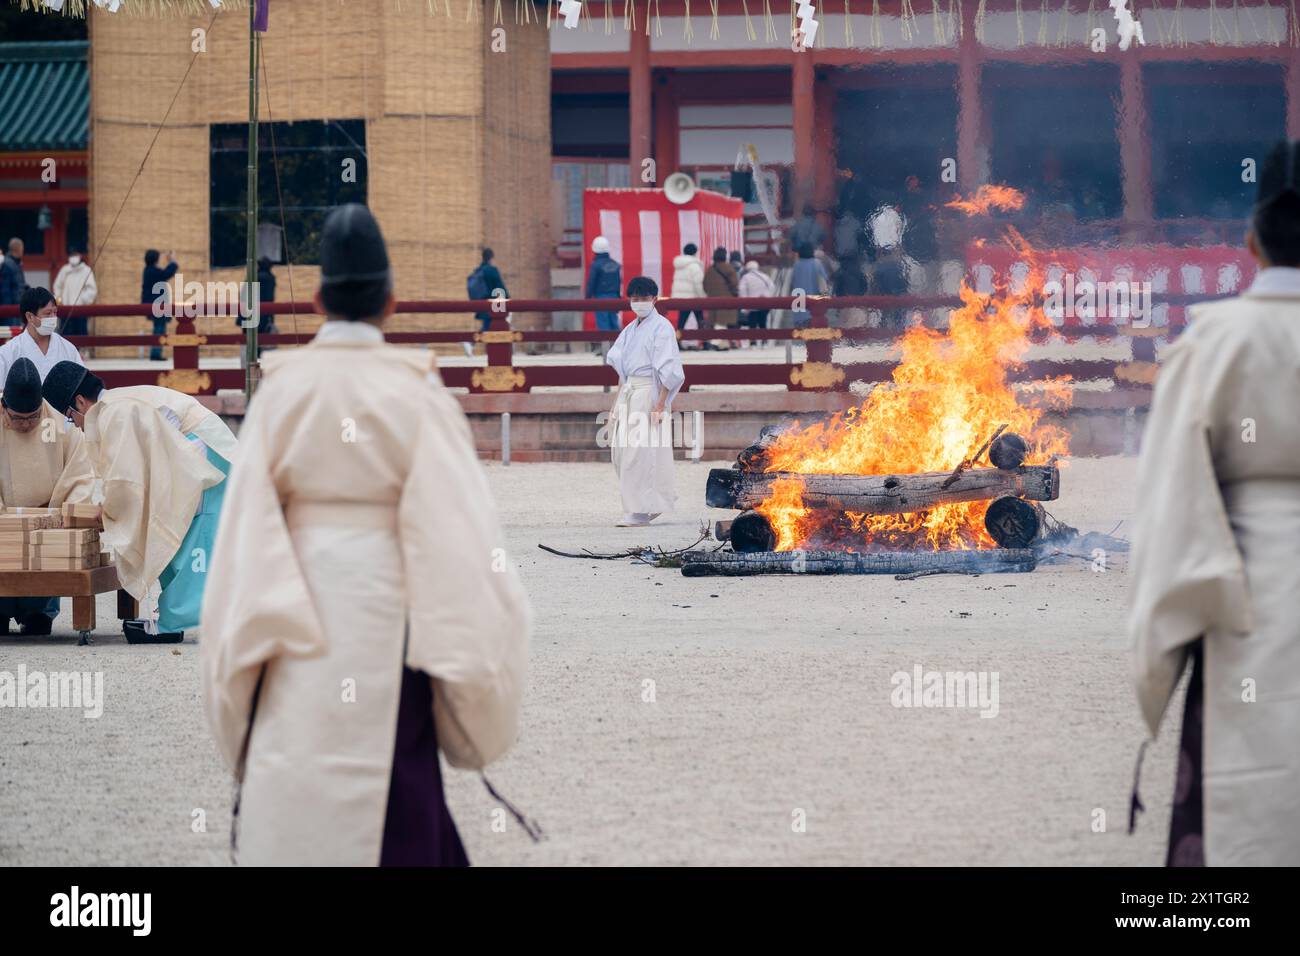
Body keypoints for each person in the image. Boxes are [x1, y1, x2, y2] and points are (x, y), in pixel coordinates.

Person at [200, 204, 530, 866]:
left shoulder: (281, 394)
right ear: (391, 300)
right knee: (398, 804)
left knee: (296, 775)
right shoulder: (415, 393)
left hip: (293, 624)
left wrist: (235, 680)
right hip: (394, 632)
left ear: (319, 298)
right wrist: (472, 669)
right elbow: (460, 537)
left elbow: (243, 542)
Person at [1130, 139, 1300, 866]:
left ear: (1251, 241)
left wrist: (1156, 662)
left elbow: (1175, 511)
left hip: (1251, 598)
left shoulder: (1213, 343)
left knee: (1253, 801)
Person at [41, 361, 230, 643]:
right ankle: (173, 615)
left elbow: (125, 481)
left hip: (202, 462)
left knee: (190, 541)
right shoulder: (116, 405)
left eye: (71, 417)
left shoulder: (114, 413)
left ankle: (173, 621)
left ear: (80, 402)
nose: (76, 426)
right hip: (192, 457)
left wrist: (107, 511)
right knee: (171, 534)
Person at [0, 357, 96, 636]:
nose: (26, 424)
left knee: (39, 621)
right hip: (4, 516)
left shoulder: (58, 421)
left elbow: (81, 473)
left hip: (48, 517)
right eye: (18, 418)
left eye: (33, 417)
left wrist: (65, 511)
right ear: (4, 407)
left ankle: (40, 610)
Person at [605, 276, 685, 527]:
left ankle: (640, 511)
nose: (639, 303)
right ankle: (647, 504)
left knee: (640, 453)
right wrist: (615, 405)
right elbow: (622, 371)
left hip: (649, 393)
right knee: (621, 452)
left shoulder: (662, 328)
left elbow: (668, 369)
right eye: (635, 299)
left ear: (655, 299)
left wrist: (660, 404)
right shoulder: (630, 330)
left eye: (644, 298)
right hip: (630, 391)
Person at [0, 287, 84, 383]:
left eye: (55, 312)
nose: (53, 318)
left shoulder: (68, 348)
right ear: (30, 316)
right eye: (48, 313)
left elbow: (83, 385)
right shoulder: (9, 352)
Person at [465, 247, 507, 357]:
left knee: (487, 327)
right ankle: (472, 343)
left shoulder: (478, 271)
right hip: (493, 305)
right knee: (493, 327)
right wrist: (507, 299)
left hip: (481, 303)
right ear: (491, 258)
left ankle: (473, 344)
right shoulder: (492, 270)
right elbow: (499, 287)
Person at [141, 249, 179, 361]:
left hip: (154, 304)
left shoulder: (148, 270)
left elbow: (163, 273)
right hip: (157, 306)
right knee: (159, 329)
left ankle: (156, 352)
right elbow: (166, 273)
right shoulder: (152, 271)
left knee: (158, 329)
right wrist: (172, 261)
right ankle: (156, 354)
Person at [52, 248, 97, 337]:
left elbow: (92, 289)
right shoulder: (65, 270)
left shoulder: (86, 271)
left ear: (79, 256)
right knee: (65, 336)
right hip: (66, 309)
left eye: (75, 255)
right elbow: (57, 286)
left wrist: (83, 300)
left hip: (80, 310)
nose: (73, 257)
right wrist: (60, 300)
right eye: (72, 255)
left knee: (81, 335)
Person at [670, 243, 706, 349]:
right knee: (701, 321)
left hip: (681, 298)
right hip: (693, 298)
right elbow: (698, 284)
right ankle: (704, 342)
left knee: (681, 323)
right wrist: (703, 297)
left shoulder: (679, 266)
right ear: (695, 252)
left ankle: (677, 341)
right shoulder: (694, 266)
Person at [585, 236, 623, 337]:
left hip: (600, 297)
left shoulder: (596, 265)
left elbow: (591, 283)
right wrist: (618, 297)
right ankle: (618, 347)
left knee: (603, 323)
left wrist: (587, 298)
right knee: (614, 322)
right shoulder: (615, 265)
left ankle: (605, 348)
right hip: (614, 297)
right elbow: (619, 282)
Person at [702, 246, 740, 346]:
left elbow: (705, 285)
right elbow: (734, 283)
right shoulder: (729, 268)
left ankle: (714, 342)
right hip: (727, 300)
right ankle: (724, 343)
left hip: (712, 300)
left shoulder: (710, 269)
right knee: (725, 323)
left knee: (715, 322)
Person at [788, 242, 828, 328]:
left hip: (799, 302)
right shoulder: (817, 263)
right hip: (814, 303)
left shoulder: (796, 265)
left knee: (801, 330)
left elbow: (792, 282)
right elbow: (824, 279)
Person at [738, 260, 775, 347]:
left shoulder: (745, 277)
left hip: (752, 304)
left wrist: (744, 305)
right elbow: (772, 287)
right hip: (764, 303)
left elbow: (742, 291)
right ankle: (764, 341)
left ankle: (753, 342)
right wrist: (767, 296)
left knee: (752, 324)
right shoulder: (764, 276)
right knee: (763, 323)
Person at [1, 239, 27, 316]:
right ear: (18, 248)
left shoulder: (16, 263)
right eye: (22, 248)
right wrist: (6, 311)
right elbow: (5, 289)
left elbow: (20, 285)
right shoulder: (8, 264)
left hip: (17, 306)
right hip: (11, 309)